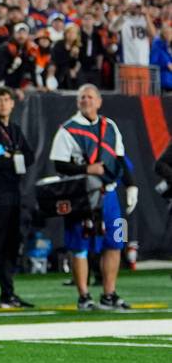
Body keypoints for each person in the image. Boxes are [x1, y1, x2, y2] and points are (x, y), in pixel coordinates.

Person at [49, 84, 135, 311]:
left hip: (109, 194)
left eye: (89, 97)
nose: (86, 100)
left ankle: (110, 293)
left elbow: (120, 158)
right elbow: (59, 164)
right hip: (82, 196)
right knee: (80, 244)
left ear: (99, 101)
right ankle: (84, 296)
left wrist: (131, 185)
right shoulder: (68, 129)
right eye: (81, 97)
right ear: (77, 102)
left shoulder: (111, 126)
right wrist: (87, 169)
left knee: (116, 242)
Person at [0, 86, 35, 308]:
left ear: (12, 103)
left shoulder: (15, 129)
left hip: (14, 193)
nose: (3, 104)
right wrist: (13, 157)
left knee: (11, 246)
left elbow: (29, 156)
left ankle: (8, 292)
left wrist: (12, 156)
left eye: (6, 100)